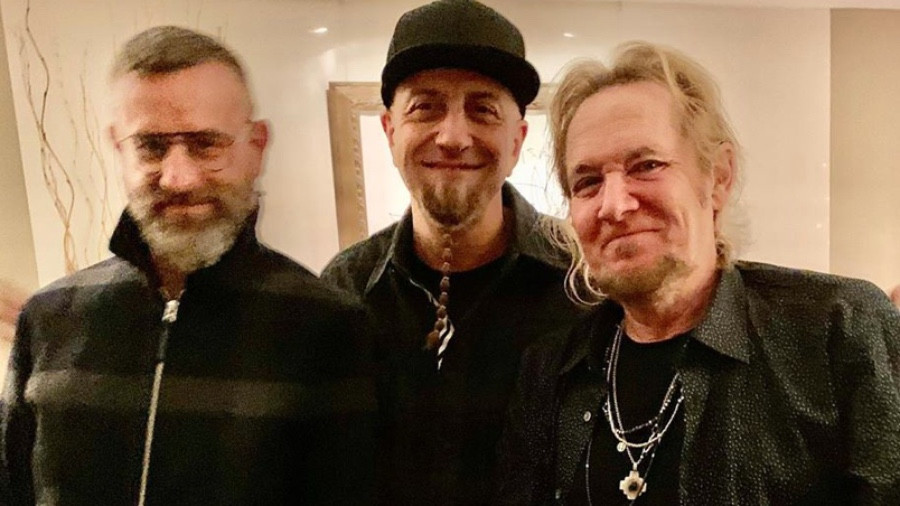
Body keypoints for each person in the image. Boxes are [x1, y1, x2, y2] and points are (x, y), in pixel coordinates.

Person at [496, 41, 900, 505]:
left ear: (718, 177)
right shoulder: (551, 373)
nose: (614, 205)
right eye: (588, 182)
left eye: (646, 166)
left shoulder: (840, 333)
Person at [0, 26, 374, 505]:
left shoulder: (327, 327)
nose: (178, 178)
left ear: (256, 147)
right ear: (119, 148)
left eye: (205, 144)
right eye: (151, 146)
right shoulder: (48, 319)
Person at [319, 1, 582, 504]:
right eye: (425, 107)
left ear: (517, 141)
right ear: (390, 132)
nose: (453, 137)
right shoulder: (343, 293)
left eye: (483, 109)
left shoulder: (584, 288)